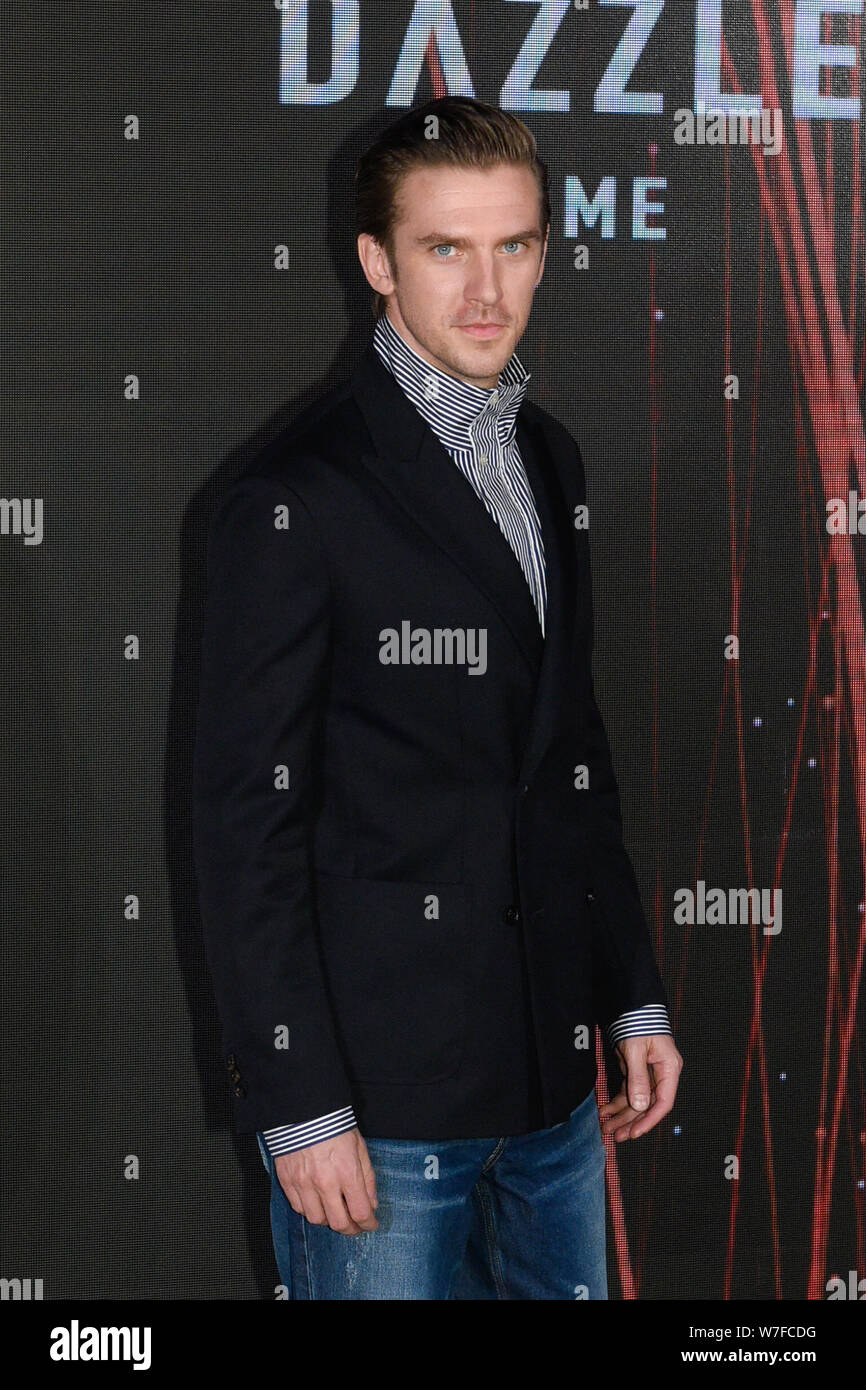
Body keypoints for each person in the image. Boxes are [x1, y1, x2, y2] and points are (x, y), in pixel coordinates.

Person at [192, 95, 682, 1300]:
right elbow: (241, 824)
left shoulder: (549, 456)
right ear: (375, 263)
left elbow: (567, 749)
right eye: (443, 248)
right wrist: (299, 1104)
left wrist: (625, 991)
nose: (485, 291)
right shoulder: (290, 496)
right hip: (382, 1111)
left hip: (553, 1093)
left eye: (513, 245)